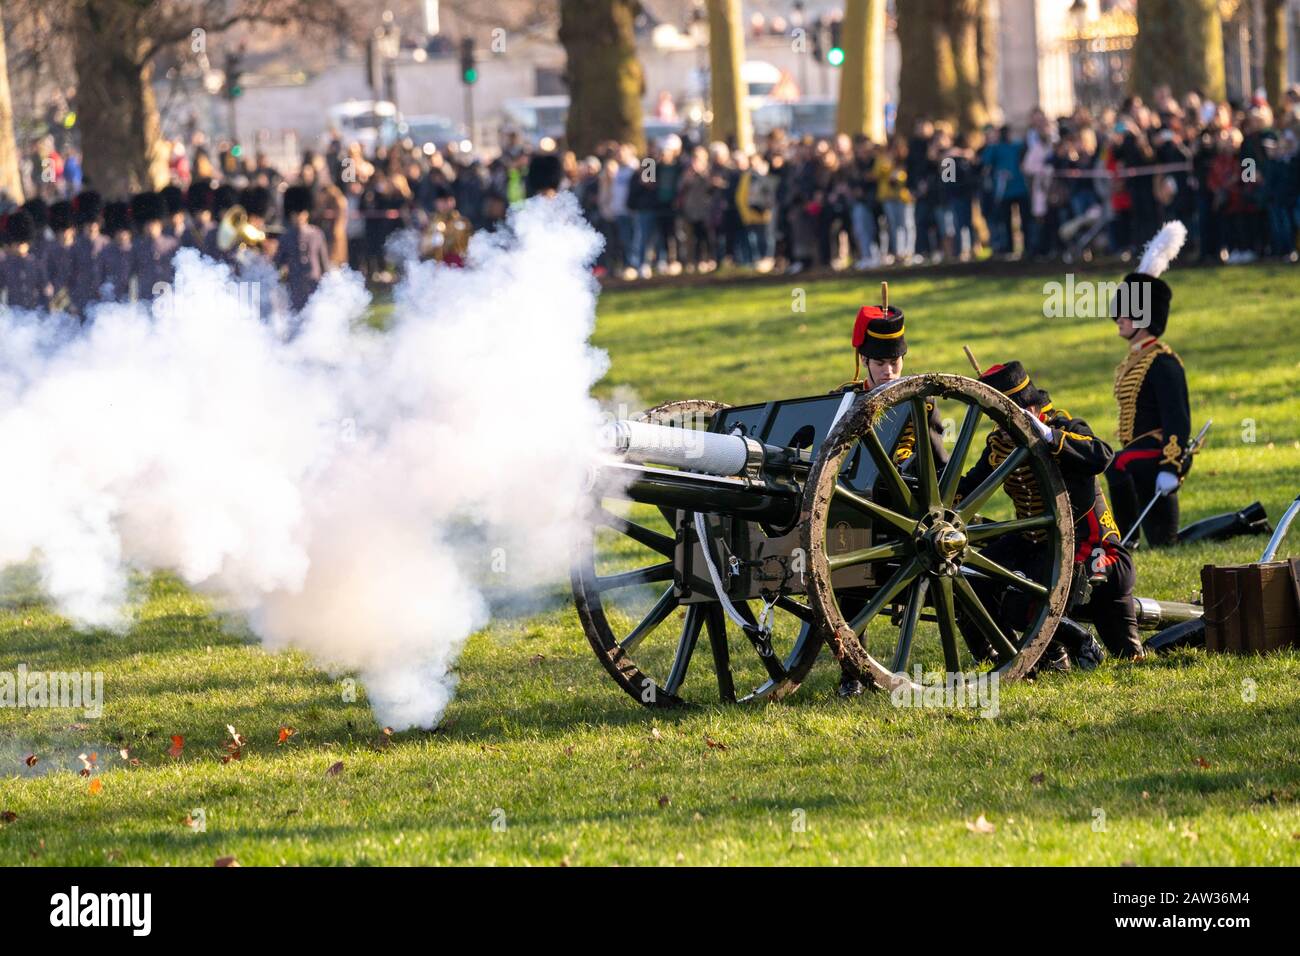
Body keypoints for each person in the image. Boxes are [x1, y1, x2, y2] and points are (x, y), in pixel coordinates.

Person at [955, 362, 1143, 670]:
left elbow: (1101, 454)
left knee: (1125, 650)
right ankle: (1019, 655)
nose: (999, 426)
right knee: (972, 579)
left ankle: (1070, 644)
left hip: (1090, 548)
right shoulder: (1000, 443)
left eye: (1005, 416)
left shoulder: (1063, 427)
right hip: (1034, 544)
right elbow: (970, 486)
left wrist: (1049, 437)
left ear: (1030, 408)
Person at [834, 298, 948, 698]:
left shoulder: (919, 403)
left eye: (895, 362)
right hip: (853, 506)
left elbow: (936, 464)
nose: (889, 371)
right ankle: (854, 670)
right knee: (841, 544)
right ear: (864, 360)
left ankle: (854, 673)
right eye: (881, 363)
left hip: (905, 513)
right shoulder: (846, 399)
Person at [1104, 223, 1191, 547]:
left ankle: (1125, 539)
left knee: (1116, 462)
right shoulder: (1135, 359)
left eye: (1126, 313)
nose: (1119, 319)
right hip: (1138, 452)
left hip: (1158, 455)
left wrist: (1171, 465)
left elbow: (1177, 421)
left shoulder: (1164, 363)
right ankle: (1129, 537)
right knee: (1164, 539)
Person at [274, 185, 331, 312]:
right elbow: (278, 262)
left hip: (314, 283)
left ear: (307, 213)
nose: (299, 217)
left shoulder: (317, 233)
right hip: (295, 285)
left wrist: (328, 283)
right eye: (295, 214)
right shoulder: (285, 237)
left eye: (301, 213)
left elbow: (324, 262)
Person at [130, 191, 180, 302]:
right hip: (146, 298)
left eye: (153, 223)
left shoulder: (172, 244)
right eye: (147, 224)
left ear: (160, 223)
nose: (150, 227)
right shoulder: (137, 247)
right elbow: (131, 275)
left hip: (169, 297)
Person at [0, 209, 52, 310]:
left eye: (22, 243)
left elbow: (44, 290)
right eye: (17, 243)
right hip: (12, 313)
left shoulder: (36, 263)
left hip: (34, 313)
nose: (20, 246)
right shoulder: (4, 265)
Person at [68, 190, 106, 318]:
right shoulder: (75, 247)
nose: (92, 227)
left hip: (103, 300)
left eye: (95, 224)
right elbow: (69, 276)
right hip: (81, 300)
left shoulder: (107, 245)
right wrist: (72, 302)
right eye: (89, 224)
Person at [97, 200, 134, 303]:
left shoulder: (136, 252)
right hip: (111, 299)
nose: (121, 235)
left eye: (124, 232)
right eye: (118, 232)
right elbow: (99, 276)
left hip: (132, 298)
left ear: (129, 233)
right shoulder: (105, 253)